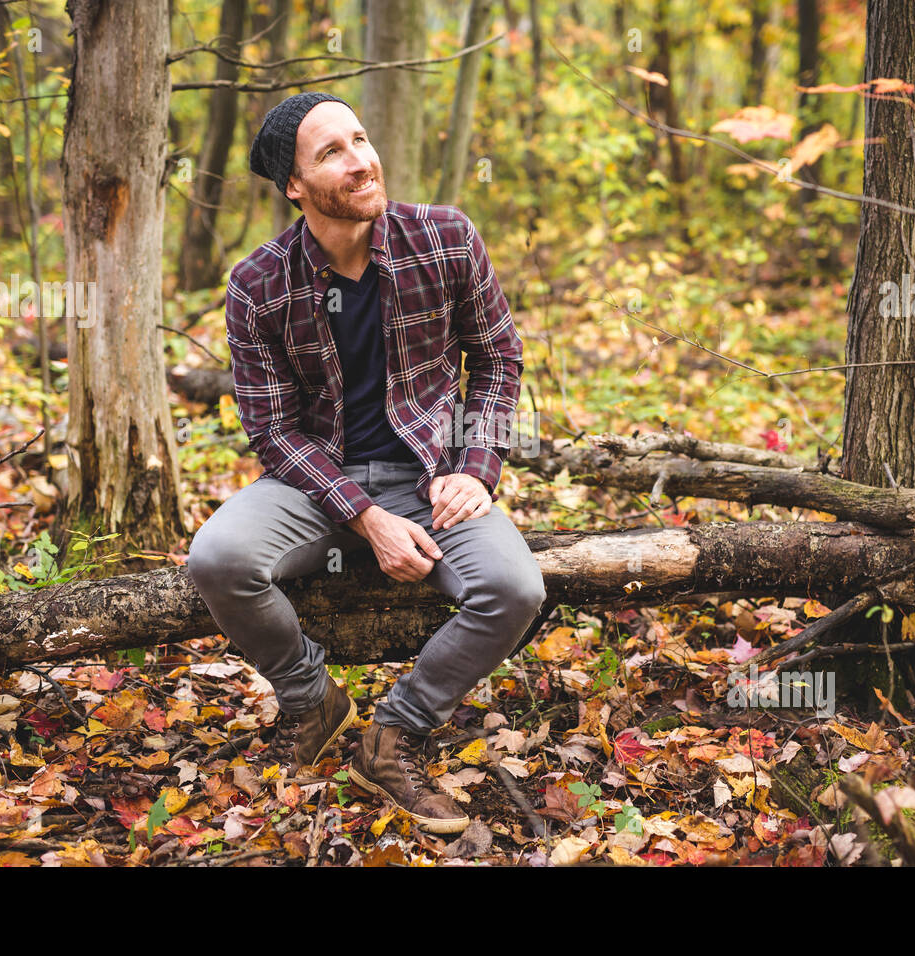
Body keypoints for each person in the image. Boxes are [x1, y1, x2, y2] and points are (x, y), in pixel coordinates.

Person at [187, 92, 547, 834]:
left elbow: (500, 357)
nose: (360, 161)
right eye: (332, 153)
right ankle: (310, 696)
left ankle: (394, 735)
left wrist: (475, 470)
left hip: (430, 476)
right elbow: (272, 430)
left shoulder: (445, 238)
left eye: (360, 138)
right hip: (316, 482)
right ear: (294, 186)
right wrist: (364, 514)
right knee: (219, 557)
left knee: (514, 587)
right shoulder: (258, 284)